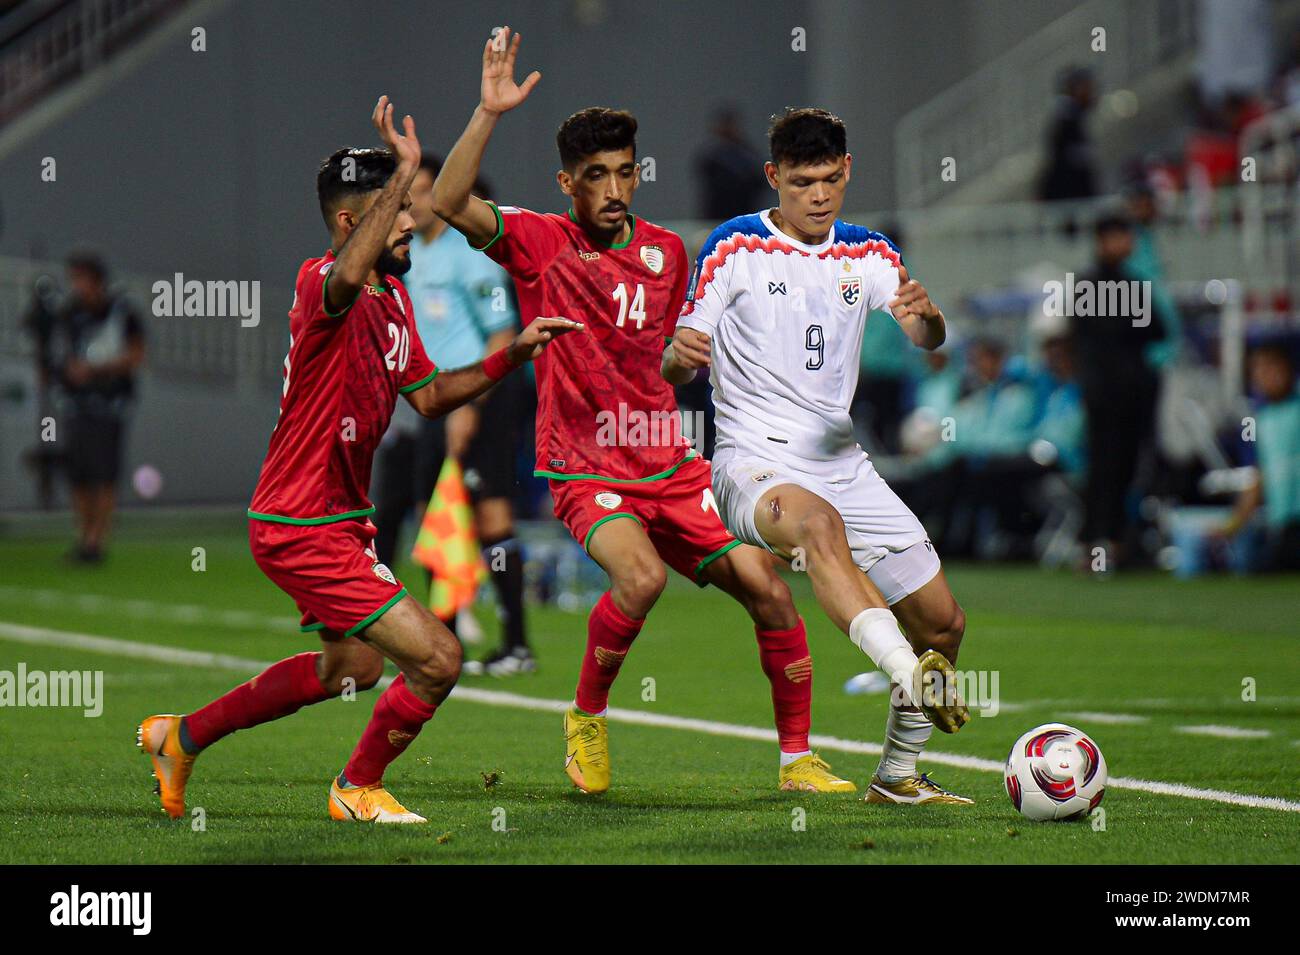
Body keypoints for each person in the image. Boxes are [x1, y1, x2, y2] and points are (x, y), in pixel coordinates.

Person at [433, 28, 854, 795]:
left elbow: (683, 354)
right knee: (640, 579)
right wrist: (488, 112)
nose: (615, 188)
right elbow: (446, 199)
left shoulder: (669, 252)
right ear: (568, 183)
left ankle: (797, 759)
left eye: (625, 172)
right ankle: (586, 718)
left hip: (669, 461)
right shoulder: (540, 241)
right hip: (585, 463)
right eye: (596, 176)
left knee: (766, 586)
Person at [138, 97, 578, 824]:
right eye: (398, 209)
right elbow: (345, 275)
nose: (412, 221)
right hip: (301, 522)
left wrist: (513, 353)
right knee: (437, 657)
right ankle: (357, 784)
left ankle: (180, 737)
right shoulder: (324, 284)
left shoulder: (393, 298)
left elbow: (432, 396)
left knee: (353, 668)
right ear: (355, 224)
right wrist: (403, 170)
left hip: (343, 519)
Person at [667, 108, 973, 805]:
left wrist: (928, 317)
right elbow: (675, 365)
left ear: (847, 172)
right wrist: (675, 358)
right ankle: (905, 668)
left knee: (944, 622)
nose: (818, 195)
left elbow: (927, 337)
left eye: (831, 180)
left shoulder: (866, 252)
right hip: (754, 463)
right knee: (818, 528)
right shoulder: (733, 246)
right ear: (774, 176)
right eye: (802, 182)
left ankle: (897, 774)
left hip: (842, 461)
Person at [372, 153, 533, 676]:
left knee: (491, 515)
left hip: (483, 395)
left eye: (421, 190)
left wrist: (472, 406)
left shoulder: (473, 254)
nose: (413, 201)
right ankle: (443, 638)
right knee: (430, 507)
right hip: (434, 400)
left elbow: (503, 334)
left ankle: (516, 644)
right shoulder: (410, 253)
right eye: (408, 192)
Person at [1071, 213, 1168, 567]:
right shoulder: (1088, 284)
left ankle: (1119, 544)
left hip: (1133, 396)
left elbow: (1157, 329)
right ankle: (1093, 546)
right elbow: (1099, 335)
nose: (1124, 244)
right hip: (1103, 396)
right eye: (1117, 236)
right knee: (1102, 471)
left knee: (1127, 471)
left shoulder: (1133, 283)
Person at [49, 253, 145, 562]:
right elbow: (59, 354)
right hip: (76, 404)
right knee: (78, 472)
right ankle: (83, 534)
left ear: (97, 280)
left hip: (110, 405)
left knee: (104, 473)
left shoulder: (122, 311)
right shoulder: (70, 314)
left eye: (82, 279)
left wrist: (96, 369)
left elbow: (136, 356)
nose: (77, 286)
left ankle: (97, 540)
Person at [1215, 343, 1300, 570]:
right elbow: (1256, 479)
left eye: (1271, 367)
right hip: (1284, 526)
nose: (1265, 375)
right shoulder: (1257, 422)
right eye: (1258, 369)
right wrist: (1232, 526)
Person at [1039, 66, 1098, 202]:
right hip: (1066, 194)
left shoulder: (1076, 117)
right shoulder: (1066, 119)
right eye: (1086, 87)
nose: (1090, 93)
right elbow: (1063, 160)